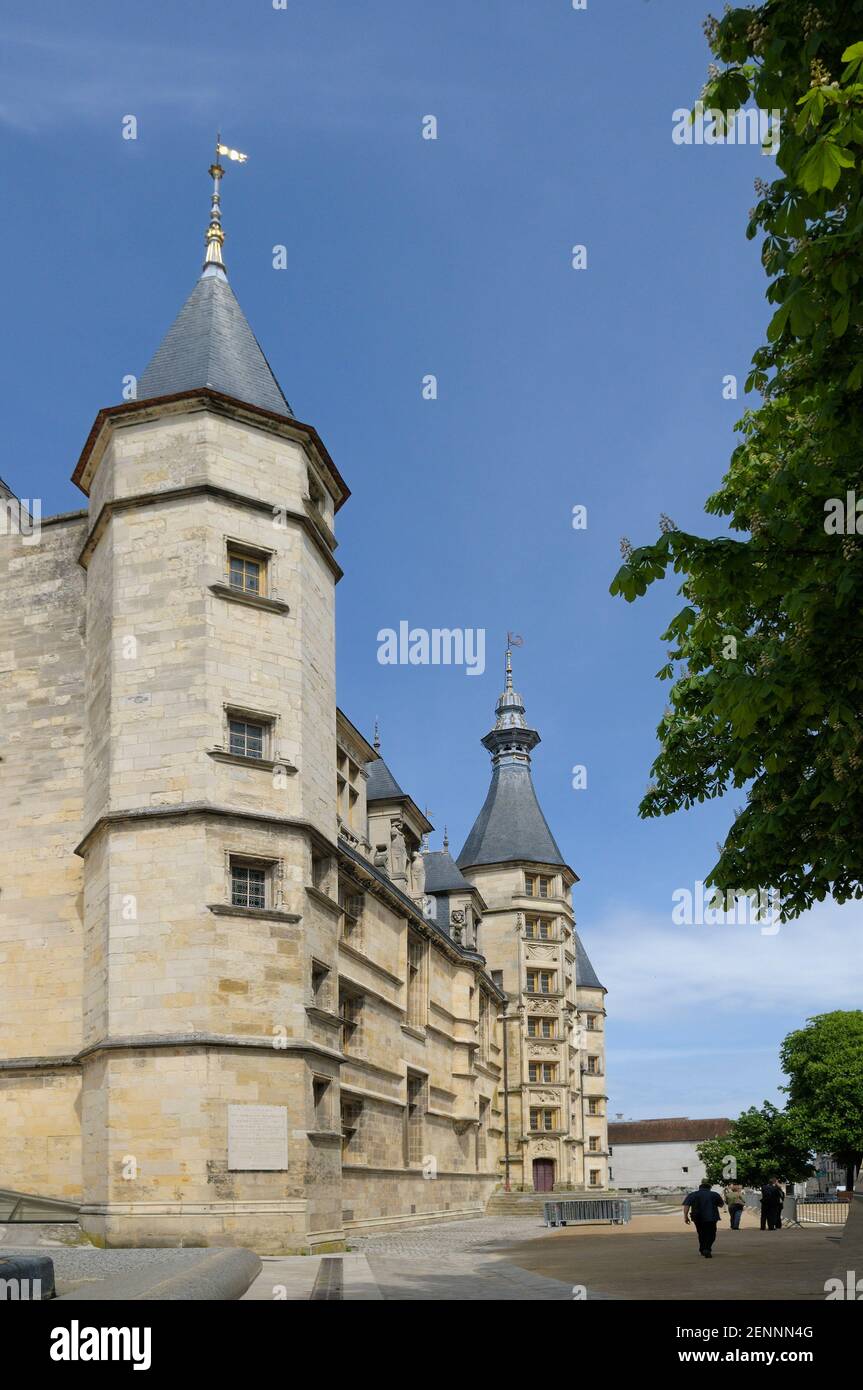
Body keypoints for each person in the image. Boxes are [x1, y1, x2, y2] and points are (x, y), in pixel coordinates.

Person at [683, 1179, 725, 1257]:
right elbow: (721, 1205)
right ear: (710, 1187)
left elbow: (686, 1206)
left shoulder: (693, 1194)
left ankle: (703, 1249)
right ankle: (707, 1248)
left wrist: (685, 1217)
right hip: (711, 1217)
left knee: (701, 1233)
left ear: (700, 1187)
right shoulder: (714, 1194)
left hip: (697, 1217)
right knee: (711, 1234)